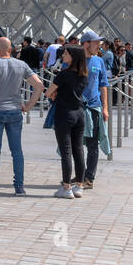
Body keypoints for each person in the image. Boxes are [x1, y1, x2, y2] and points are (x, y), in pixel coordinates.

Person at [0, 36, 43, 195]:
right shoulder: (21, 65)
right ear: (11, 49)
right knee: (17, 150)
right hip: (14, 110)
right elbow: (39, 85)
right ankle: (19, 186)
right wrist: (29, 106)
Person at [45, 44, 87, 199]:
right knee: (79, 151)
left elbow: (48, 92)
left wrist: (55, 93)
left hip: (64, 114)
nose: (63, 56)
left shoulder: (63, 74)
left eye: (66, 54)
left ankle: (66, 187)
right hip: (79, 114)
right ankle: (79, 186)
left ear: (73, 57)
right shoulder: (84, 74)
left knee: (66, 152)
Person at [77, 29, 109, 190]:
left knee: (92, 144)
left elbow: (104, 85)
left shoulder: (99, 61)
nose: (99, 46)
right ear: (86, 44)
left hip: (94, 107)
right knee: (76, 144)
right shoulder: (73, 60)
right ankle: (79, 174)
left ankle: (89, 177)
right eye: (96, 43)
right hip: (77, 107)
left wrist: (105, 108)